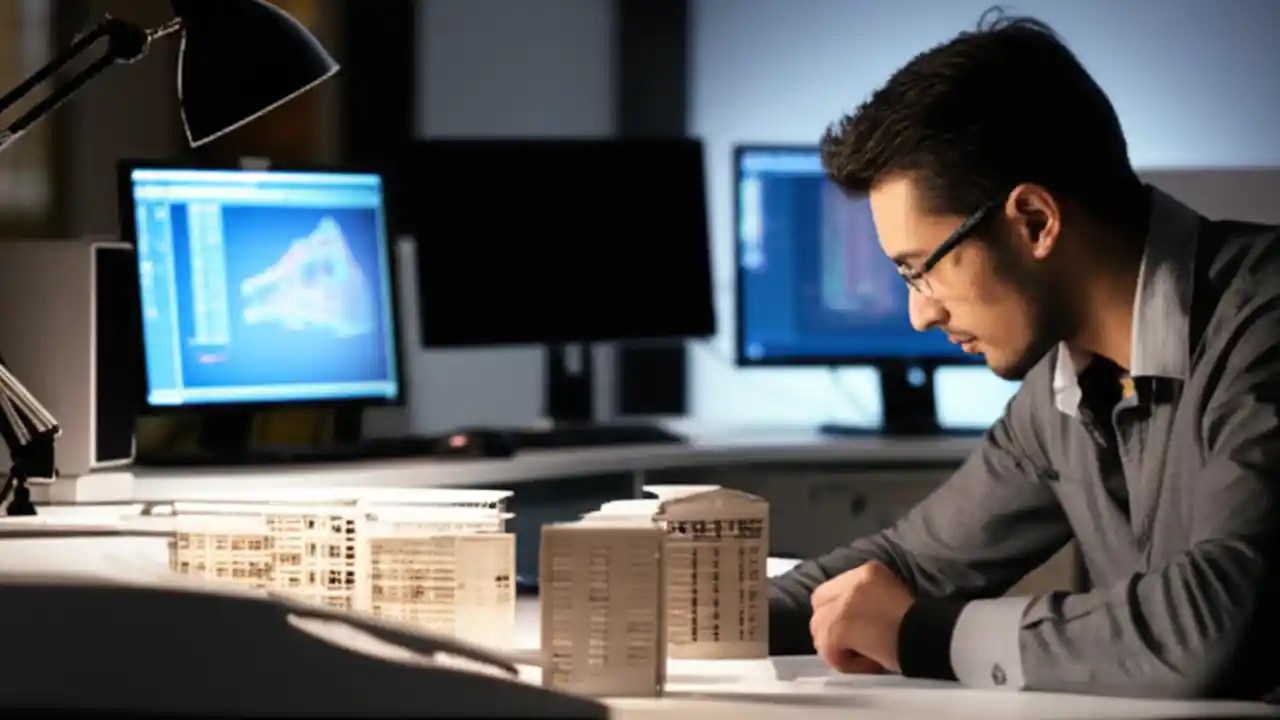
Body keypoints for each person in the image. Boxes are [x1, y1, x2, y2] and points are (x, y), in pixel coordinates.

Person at [768, 8, 1280, 702]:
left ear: (1035, 220)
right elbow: (908, 564)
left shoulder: (1263, 322)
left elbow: (1214, 623)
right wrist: (678, 616)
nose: (920, 312)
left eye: (925, 269)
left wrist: (924, 636)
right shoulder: (1063, 390)